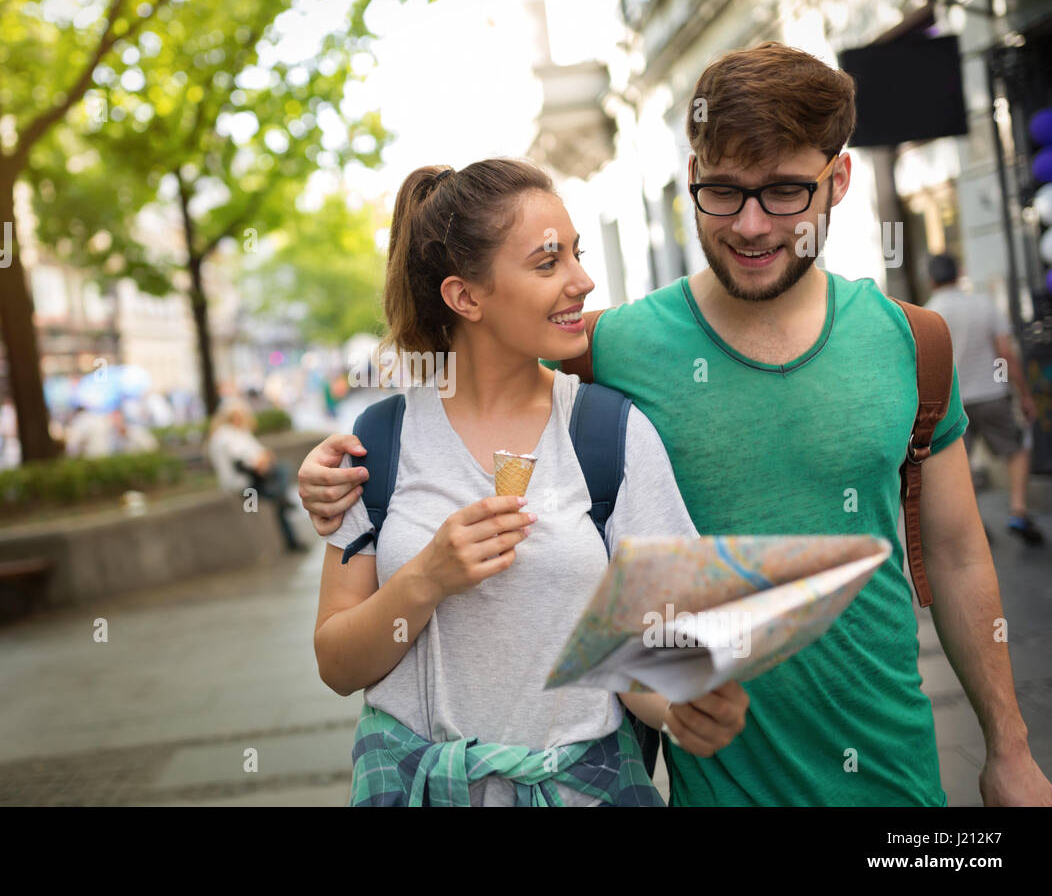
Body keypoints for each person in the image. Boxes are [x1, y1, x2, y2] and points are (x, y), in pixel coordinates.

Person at [299, 43, 1051, 807]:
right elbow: (485, 359)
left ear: (840, 181)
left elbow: (957, 556)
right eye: (724, 192)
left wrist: (1010, 749)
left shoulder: (912, 343)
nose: (752, 225)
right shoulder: (614, 347)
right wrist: (337, 467)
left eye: (786, 192)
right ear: (691, 180)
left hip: (895, 780)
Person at [312, 159, 748, 807]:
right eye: (548, 264)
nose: (582, 281)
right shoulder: (379, 442)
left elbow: (642, 663)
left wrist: (684, 708)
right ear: (466, 297)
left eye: (576, 254)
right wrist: (426, 577)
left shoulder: (611, 434)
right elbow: (338, 666)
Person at [925, 254, 1043, 545]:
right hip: (993, 394)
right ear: (959, 273)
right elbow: (1004, 353)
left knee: (960, 465)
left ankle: (975, 522)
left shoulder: (927, 314)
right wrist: (1021, 393)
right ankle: (1018, 511)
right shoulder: (983, 304)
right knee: (1015, 450)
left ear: (931, 280)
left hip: (952, 403)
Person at [208, 399, 307, 553]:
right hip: (246, 487)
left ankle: (292, 539)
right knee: (282, 478)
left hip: (255, 478)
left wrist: (263, 462)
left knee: (281, 483)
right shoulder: (225, 435)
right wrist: (261, 463)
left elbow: (263, 454)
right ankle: (291, 536)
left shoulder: (238, 432)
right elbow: (243, 463)